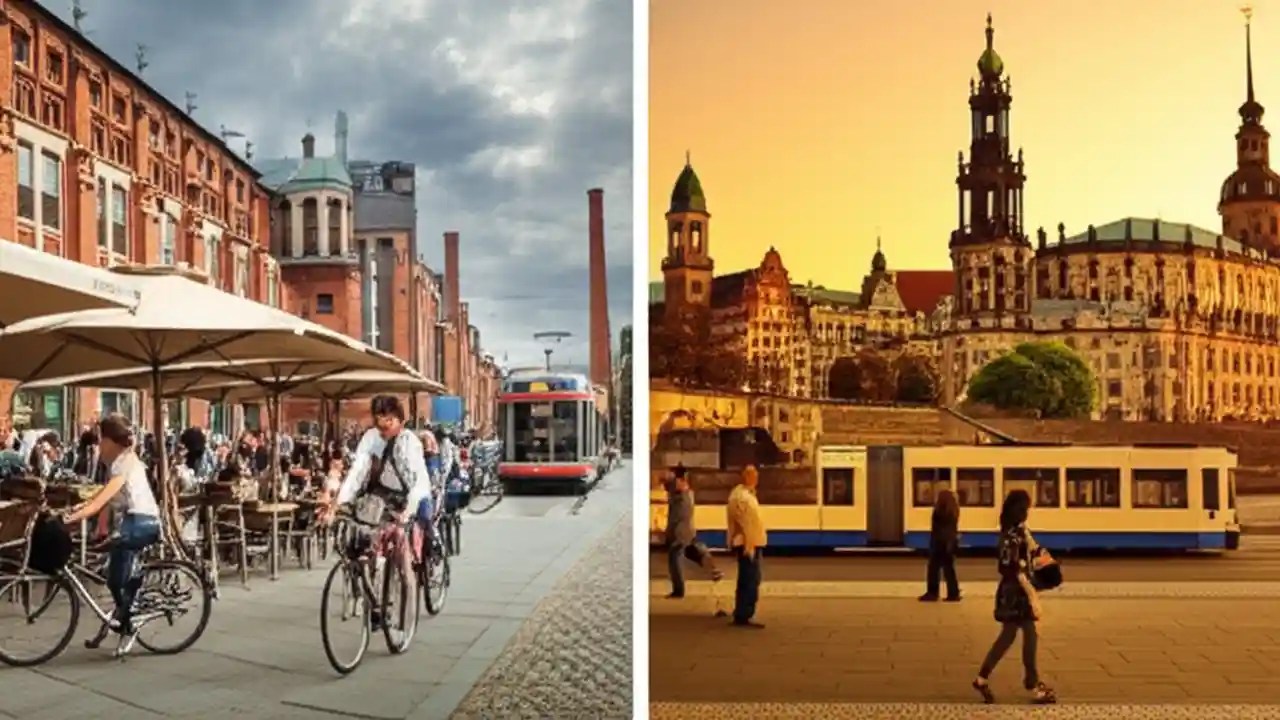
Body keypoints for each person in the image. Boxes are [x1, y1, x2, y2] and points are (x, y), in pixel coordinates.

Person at [320, 396, 434, 608]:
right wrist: (339, 503)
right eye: (379, 421)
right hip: (381, 495)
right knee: (365, 536)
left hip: (410, 495)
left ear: (400, 420)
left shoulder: (410, 442)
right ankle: (373, 588)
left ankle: (413, 586)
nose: (383, 427)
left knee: (407, 547)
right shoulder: (371, 437)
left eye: (388, 421)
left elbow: (419, 482)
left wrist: (408, 511)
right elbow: (357, 471)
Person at [62, 414, 161, 656]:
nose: (98, 446)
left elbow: (101, 500)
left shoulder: (124, 464)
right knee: (114, 576)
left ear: (109, 441)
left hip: (142, 521)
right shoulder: (119, 461)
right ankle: (124, 610)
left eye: (101, 440)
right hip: (132, 520)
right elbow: (104, 497)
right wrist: (82, 510)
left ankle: (127, 619)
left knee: (117, 575)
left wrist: (72, 518)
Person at [973, 489, 1056, 705]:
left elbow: (1032, 553)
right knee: (1029, 635)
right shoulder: (1012, 537)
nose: (1028, 512)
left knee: (1008, 636)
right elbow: (1014, 569)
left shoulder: (1015, 532)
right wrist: (1032, 596)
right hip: (1016, 592)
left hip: (1011, 591)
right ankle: (1033, 684)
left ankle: (982, 678)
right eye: (1026, 508)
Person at [665, 465, 721, 598]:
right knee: (692, 552)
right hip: (686, 532)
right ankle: (712, 568)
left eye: (676, 480)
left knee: (675, 560)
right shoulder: (687, 494)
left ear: (681, 481)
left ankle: (678, 590)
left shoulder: (681, 497)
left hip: (680, 533)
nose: (674, 483)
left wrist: (671, 533)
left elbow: (677, 517)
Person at [725, 464, 766, 628]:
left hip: (750, 542)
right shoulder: (741, 497)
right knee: (750, 579)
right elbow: (744, 524)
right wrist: (749, 546)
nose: (757, 479)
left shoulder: (746, 494)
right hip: (747, 544)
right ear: (746, 477)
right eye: (753, 476)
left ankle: (743, 613)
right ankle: (743, 614)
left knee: (749, 578)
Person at [920, 488, 962, 602]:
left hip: (939, 543)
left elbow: (937, 529)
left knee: (933, 569)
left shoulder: (940, 510)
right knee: (949, 570)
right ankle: (953, 593)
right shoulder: (953, 511)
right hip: (950, 543)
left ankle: (932, 593)